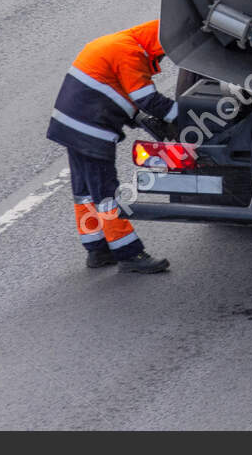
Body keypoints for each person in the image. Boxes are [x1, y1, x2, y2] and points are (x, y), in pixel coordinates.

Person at [46, 20, 177, 273]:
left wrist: (142, 120)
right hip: (90, 130)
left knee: (84, 190)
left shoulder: (117, 43)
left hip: (71, 125)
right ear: (157, 43)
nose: (162, 60)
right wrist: (182, 115)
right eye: (163, 53)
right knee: (106, 194)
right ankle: (130, 254)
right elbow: (147, 98)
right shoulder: (131, 52)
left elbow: (116, 92)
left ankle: (98, 250)